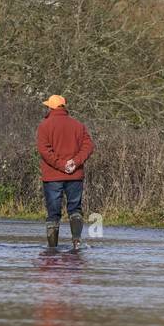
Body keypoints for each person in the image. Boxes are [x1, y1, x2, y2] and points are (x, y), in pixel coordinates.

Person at [36, 94, 94, 250]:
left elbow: (45, 151)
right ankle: (77, 243)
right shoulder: (78, 125)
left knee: (53, 213)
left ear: (51, 107)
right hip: (75, 175)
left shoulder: (44, 126)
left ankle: (52, 249)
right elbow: (88, 146)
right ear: (63, 107)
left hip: (52, 177)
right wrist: (75, 162)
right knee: (75, 209)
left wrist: (62, 165)